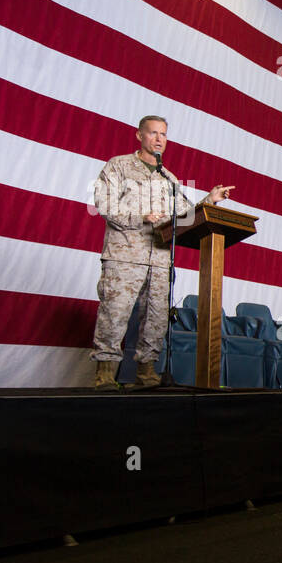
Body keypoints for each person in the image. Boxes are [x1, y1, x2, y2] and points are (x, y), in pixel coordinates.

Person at [91, 115, 234, 390]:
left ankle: (147, 374)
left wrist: (209, 200)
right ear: (139, 136)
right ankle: (105, 376)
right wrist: (141, 216)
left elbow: (185, 216)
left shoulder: (168, 178)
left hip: (159, 259)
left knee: (156, 319)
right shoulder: (119, 166)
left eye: (163, 134)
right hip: (125, 256)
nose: (159, 139)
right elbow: (104, 204)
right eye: (153, 133)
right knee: (115, 314)